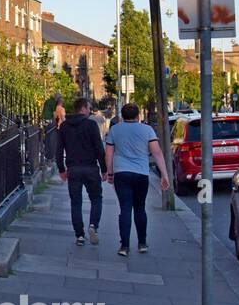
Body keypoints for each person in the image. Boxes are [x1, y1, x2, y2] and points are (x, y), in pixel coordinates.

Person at [104, 102, 171, 256]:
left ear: (122, 116)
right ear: (138, 115)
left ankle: (124, 246)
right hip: (141, 174)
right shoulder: (147, 130)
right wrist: (165, 175)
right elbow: (157, 152)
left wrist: (110, 172)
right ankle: (142, 243)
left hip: (122, 173)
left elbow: (108, 153)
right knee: (140, 208)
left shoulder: (115, 130)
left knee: (125, 209)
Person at [56, 96, 106, 246]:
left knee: (76, 202)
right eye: (89, 107)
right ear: (83, 108)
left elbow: (59, 150)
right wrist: (104, 169)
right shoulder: (91, 125)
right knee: (96, 198)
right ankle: (93, 225)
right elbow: (99, 149)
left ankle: (79, 235)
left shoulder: (64, 126)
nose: (90, 110)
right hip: (90, 168)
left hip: (73, 169)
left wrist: (61, 169)